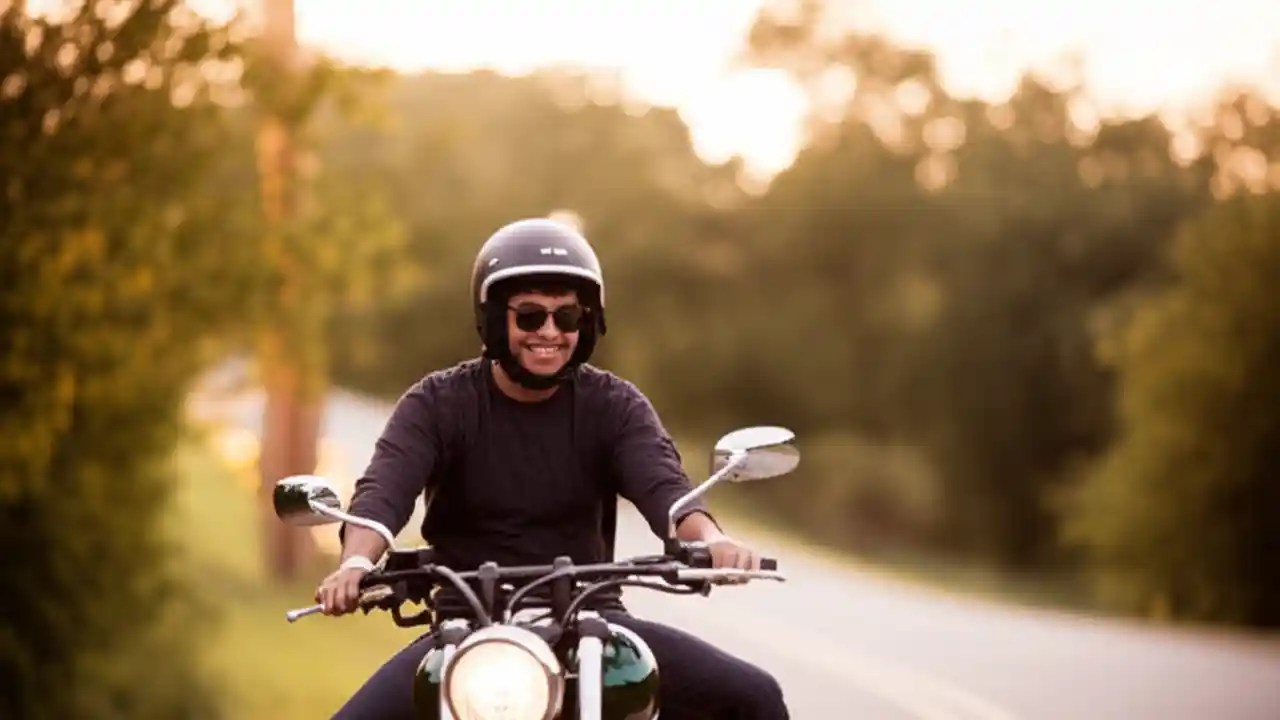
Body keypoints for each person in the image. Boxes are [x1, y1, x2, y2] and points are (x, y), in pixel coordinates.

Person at [316, 218, 789, 719]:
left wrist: (711, 539)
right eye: (530, 316)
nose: (549, 332)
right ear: (495, 320)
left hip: (592, 621)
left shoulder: (614, 405)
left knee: (755, 697)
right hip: (464, 631)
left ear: (587, 323)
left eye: (567, 317)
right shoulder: (438, 403)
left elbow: (665, 488)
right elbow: (383, 493)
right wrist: (356, 564)